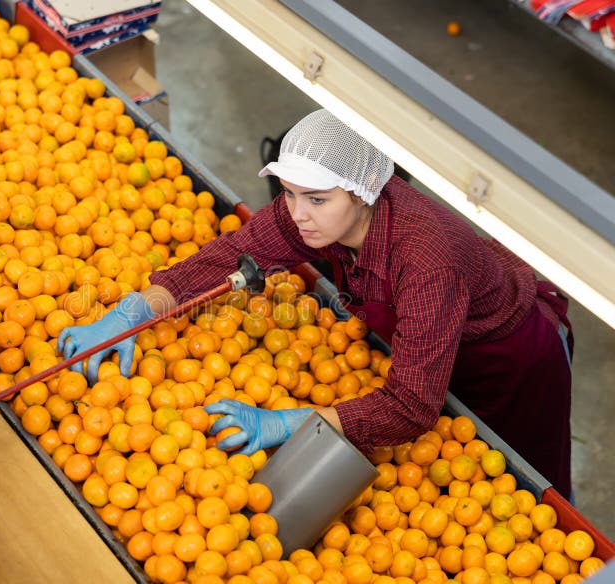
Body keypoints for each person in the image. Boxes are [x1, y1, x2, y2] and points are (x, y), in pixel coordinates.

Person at [58, 109, 574, 499]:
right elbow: (230, 256)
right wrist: (136, 311)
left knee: (525, 479)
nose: (298, 214)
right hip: (427, 340)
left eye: (316, 199)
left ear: (364, 192)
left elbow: (412, 406)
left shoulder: (426, 261)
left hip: (507, 363)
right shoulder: (315, 215)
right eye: (287, 193)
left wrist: (289, 423)